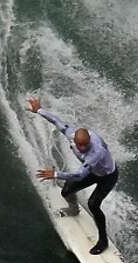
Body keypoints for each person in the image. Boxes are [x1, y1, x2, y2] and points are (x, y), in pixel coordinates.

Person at [27, 96, 119, 254]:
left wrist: (55, 174)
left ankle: (103, 242)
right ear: (75, 140)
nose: (82, 148)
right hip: (93, 172)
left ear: (89, 140)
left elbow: (79, 175)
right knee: (66, 192)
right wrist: (39, 110)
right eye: (80, 145)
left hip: (107, 176)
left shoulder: (96, 152)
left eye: (85, 145)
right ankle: (74, 209)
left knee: (93, 204)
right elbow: (57, 121)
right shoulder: (71, 134)